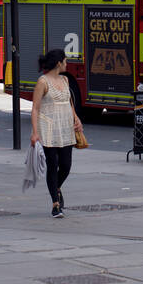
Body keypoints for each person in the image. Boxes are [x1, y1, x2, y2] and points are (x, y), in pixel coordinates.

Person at [30, 48, 85, 218]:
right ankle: (55, 204)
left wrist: (76, 118)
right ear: (58, 63)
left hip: (65, 127)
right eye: (65, 61)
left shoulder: (65, 80)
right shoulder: (43, 82)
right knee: (52, 164)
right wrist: (35, 132)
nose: (67, 63)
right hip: (48, 128)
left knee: (66, 165)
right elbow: (35, 108)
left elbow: (69, 103)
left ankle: (57, 187)